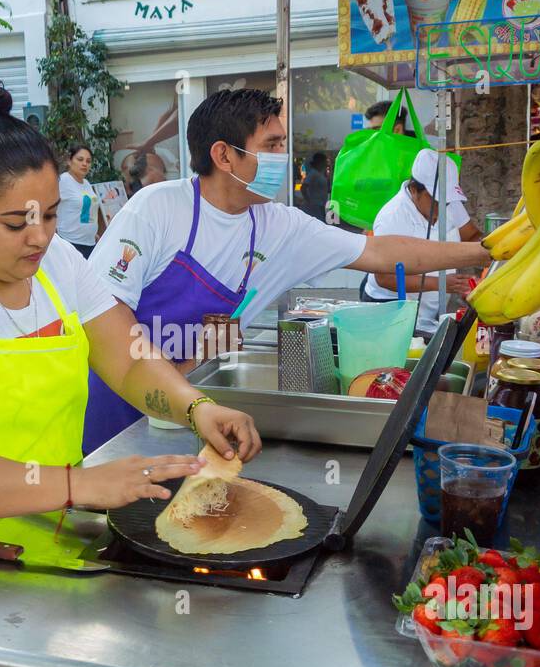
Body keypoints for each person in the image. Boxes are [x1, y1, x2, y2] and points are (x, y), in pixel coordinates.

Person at [0, 79, 261, 570]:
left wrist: (197, 408)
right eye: (16, 223)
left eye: (50, 216)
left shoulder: (60, 263)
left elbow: (128, 359)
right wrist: (77, 484)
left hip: (56, 531)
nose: (39, 238)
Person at [83, 87, 490, 453]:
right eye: (271, 145)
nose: (282, 156)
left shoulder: (278, 225)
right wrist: (178, 387)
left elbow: (382, 253)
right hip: (121, 413)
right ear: (224, 155)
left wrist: (483, 249)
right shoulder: (157, 209)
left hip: (195, 412)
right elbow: (102, 314)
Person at [362, 148, 479, 336]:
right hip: (389, 310)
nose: (443, 208)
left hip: (428, 313)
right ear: (415, 190)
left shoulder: (450, 204)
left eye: (446, 203)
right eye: (436, 202)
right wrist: (441, 283)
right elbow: (385, 278)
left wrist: (489, 254)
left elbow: (472, 236)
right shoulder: (393, 216)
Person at [57, 144, 100, 258]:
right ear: (69, 161)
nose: (84, 164)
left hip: (90, 242)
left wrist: (92, 231)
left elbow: (90, 208)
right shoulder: (63, 181)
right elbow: (47, 206)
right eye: (80, 159)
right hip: (70, 243)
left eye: (88, 161)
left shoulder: (86, 183)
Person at [299, 152, 329, 223]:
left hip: (320, 205)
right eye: (325, 161)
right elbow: (303, 187)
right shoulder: (313, 173)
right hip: (314, 206)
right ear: (320, 162)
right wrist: (309, 201)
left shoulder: (319, 173)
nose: (326, 163)